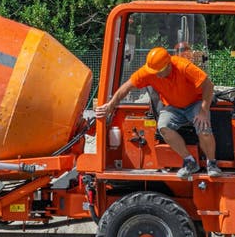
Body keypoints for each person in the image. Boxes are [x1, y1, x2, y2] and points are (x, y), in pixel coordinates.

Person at [95, 45, 222, 178]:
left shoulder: (183, 66)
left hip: (195, 103)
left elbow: (208, 85)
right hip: (173, 106)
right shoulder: (149, 71)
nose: (156, 74)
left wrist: (203, 110)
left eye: (159, 71)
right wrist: (110, 105)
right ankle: (190, 162)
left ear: (168, 65)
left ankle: (212, 163)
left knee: (203, 128)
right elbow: (125, 88)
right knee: (163, 127)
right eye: (153, 71)